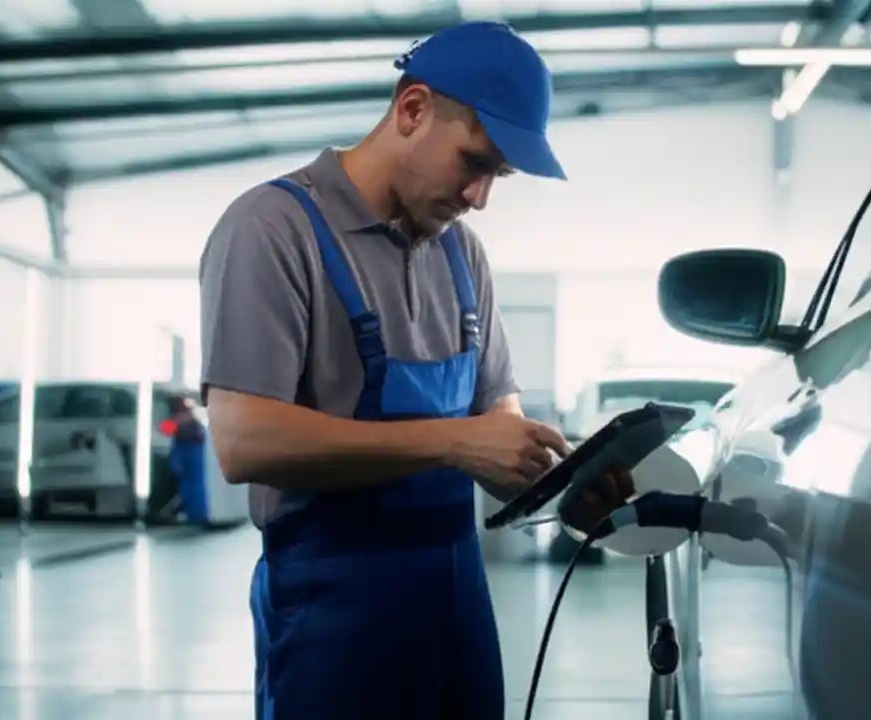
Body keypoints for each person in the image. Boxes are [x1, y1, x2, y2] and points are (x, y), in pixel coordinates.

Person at [198, 21, 634, 720]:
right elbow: (244, 440)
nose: (479, 197)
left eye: (499, 177)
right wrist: (452, 441)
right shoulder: (273, 229)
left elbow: (500, 418)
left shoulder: (464, 258)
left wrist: (560, 484)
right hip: (330, 608)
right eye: (475, 162)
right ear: (412, 109)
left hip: (458, 600)